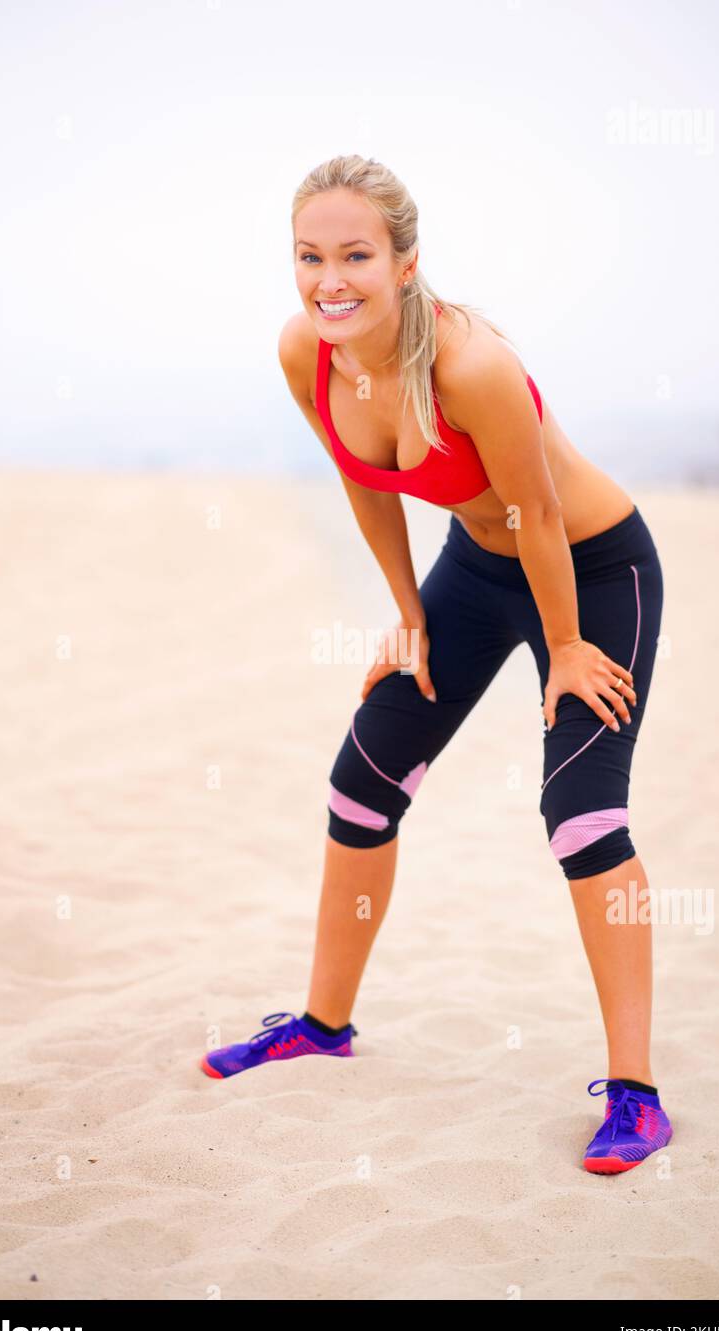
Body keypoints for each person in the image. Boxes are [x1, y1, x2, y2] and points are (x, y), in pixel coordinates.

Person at [201, 154, 672, 1176]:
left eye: (356, 255)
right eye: (311, 255)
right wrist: (408, 613)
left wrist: (568, 649)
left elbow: (540, 509)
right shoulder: (306, 353)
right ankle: (323, 1022)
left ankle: (635, 1092)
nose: (331, 278)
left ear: (405, 263)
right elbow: (362, 478)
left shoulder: (470, 365)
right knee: (362, 782)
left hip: (593, 574)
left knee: (582, 812)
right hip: (474, 568)